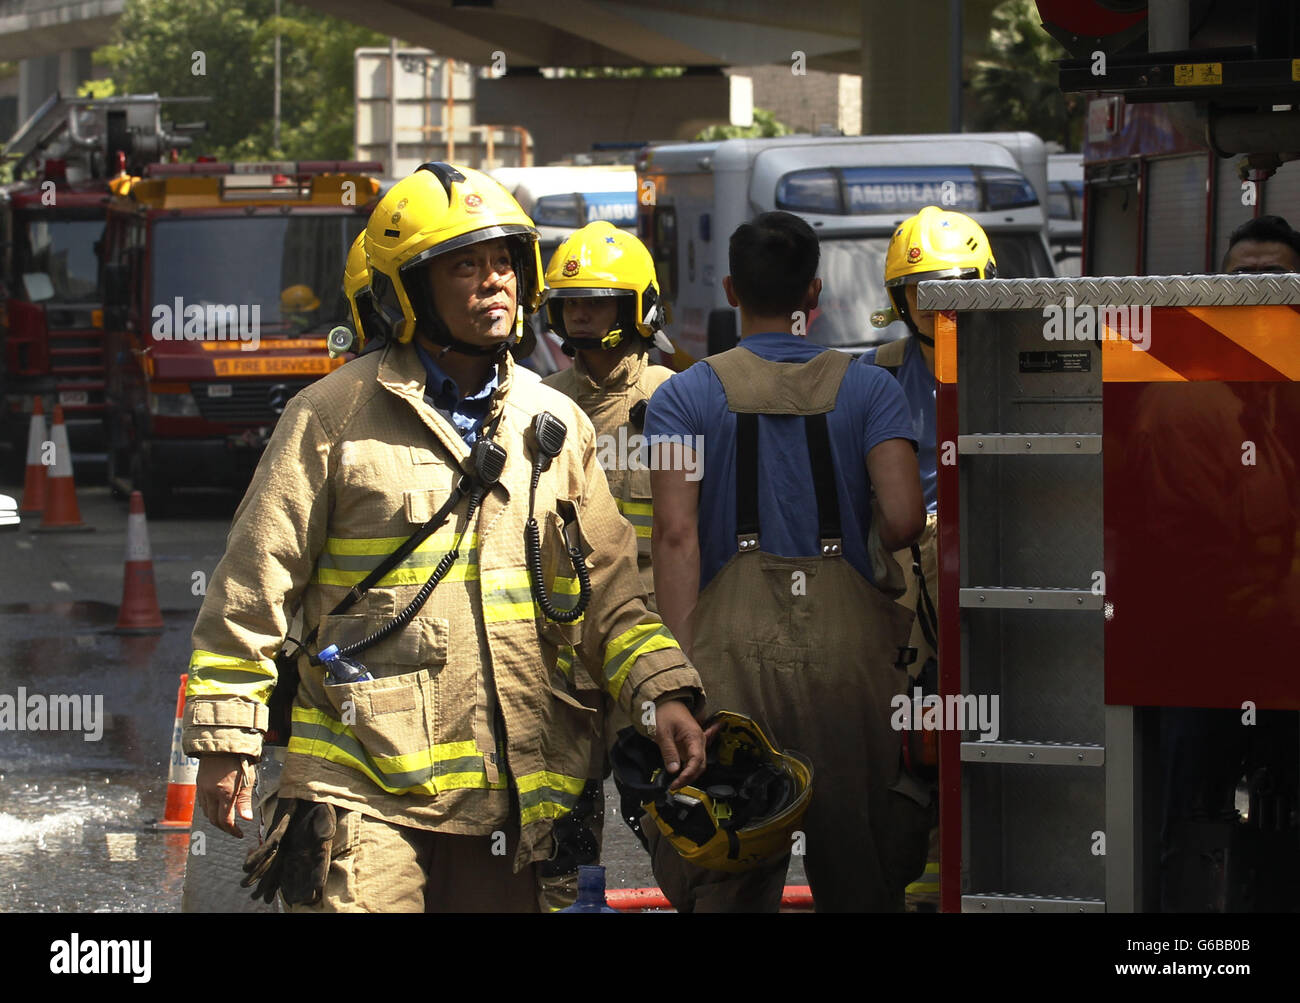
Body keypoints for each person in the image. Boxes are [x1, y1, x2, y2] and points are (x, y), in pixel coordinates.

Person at [183, 162, 706, 913]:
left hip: (514, 787)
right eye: (465, 264)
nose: (494, 282)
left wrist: (664, 695)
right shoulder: (330, 415)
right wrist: (227, 736)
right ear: (409, 291)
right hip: (359, 780)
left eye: (504, 262)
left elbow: (613, 600)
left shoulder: (553, 425)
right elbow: (251, 585)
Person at [644, 210, 929, 912]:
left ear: (731, 289)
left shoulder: (681, 398)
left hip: (728, 662)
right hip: (851, 660)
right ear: (815, 293)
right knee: (861, 867)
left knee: (729, 863)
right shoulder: (871, 389)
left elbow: (676, 536)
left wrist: (680, 678)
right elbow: (901, 520)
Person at [1140, 214, 1300, 911]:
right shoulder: (1182, 401)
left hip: (1285, 656)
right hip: (1202, 656)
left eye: (1277, 280)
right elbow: (1180, 544)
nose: (1259, 295)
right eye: (1243, 281)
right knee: (1194, 817)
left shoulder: (1279, 398)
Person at [537, 220, 678, 907]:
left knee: (681, 834)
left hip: (652, 648)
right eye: (570, 302)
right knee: (558, 856)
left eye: (598, 300)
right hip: (560, 662)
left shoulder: (680, 401)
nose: (582, 314)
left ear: (637, 306)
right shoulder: (536, 406)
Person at [862, 204, 998, 910]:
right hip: (903, 585)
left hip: (992, 568)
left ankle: (972, 865)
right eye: (923, 291)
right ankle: (917, 874)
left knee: (986, 722)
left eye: (954, 287)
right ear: (898, 300)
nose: (939, 305)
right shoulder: (874, 374)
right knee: (907, 735)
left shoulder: (1011, 356)